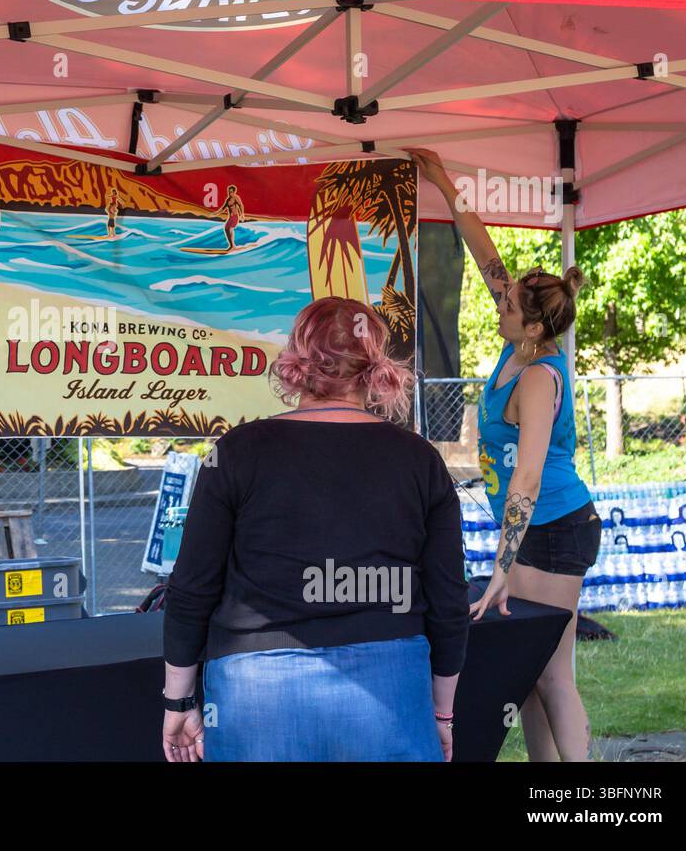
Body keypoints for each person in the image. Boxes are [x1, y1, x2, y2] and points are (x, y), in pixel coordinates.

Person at [161, 297, 469, 761]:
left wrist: (179, 701)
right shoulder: (420, 460)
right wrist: (441, 715)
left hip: (255, 691)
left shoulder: (238, 451)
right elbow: (449, 601)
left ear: (297, 360)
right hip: (390, 686)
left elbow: (191, 587)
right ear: (373, 365)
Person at [409, 147, 597, 762]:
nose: (501, 305)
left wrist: (500, 563)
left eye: (509, 306)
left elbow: (530, 475)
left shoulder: (540, 376)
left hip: (555, 525)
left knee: (552, 674)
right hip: (534, 528)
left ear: (535, 328)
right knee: (530, 671)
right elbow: (482, 249)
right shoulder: (520, 338)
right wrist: (440, 180)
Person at [218, 184, 245, 248]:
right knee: (226, 228)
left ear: (234, 192)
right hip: (230, 217)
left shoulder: (236, 197)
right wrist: (215, 213)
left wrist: (242, 214)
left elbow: (241, 205)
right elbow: (223, 208)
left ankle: (233, 245)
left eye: (231, 192)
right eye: (229, 192)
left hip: (235, 216)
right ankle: (231, 245)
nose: (230, 193)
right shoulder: (228, 200)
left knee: (230, 229)